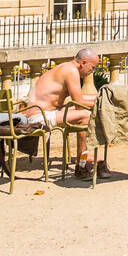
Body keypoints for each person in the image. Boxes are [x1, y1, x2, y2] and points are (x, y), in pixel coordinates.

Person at [21, 48, 103, 178]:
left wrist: (99, 99)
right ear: (83, 62)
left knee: (84, 112)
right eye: (92, 67)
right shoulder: (71, 71)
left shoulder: (66, 67)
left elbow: (79, 99)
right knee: (85, 115)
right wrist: (102, 103)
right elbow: (78, 102)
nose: (92, 71)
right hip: (39, 117)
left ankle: (84, 156)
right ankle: (81, 165)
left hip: (43, 112)